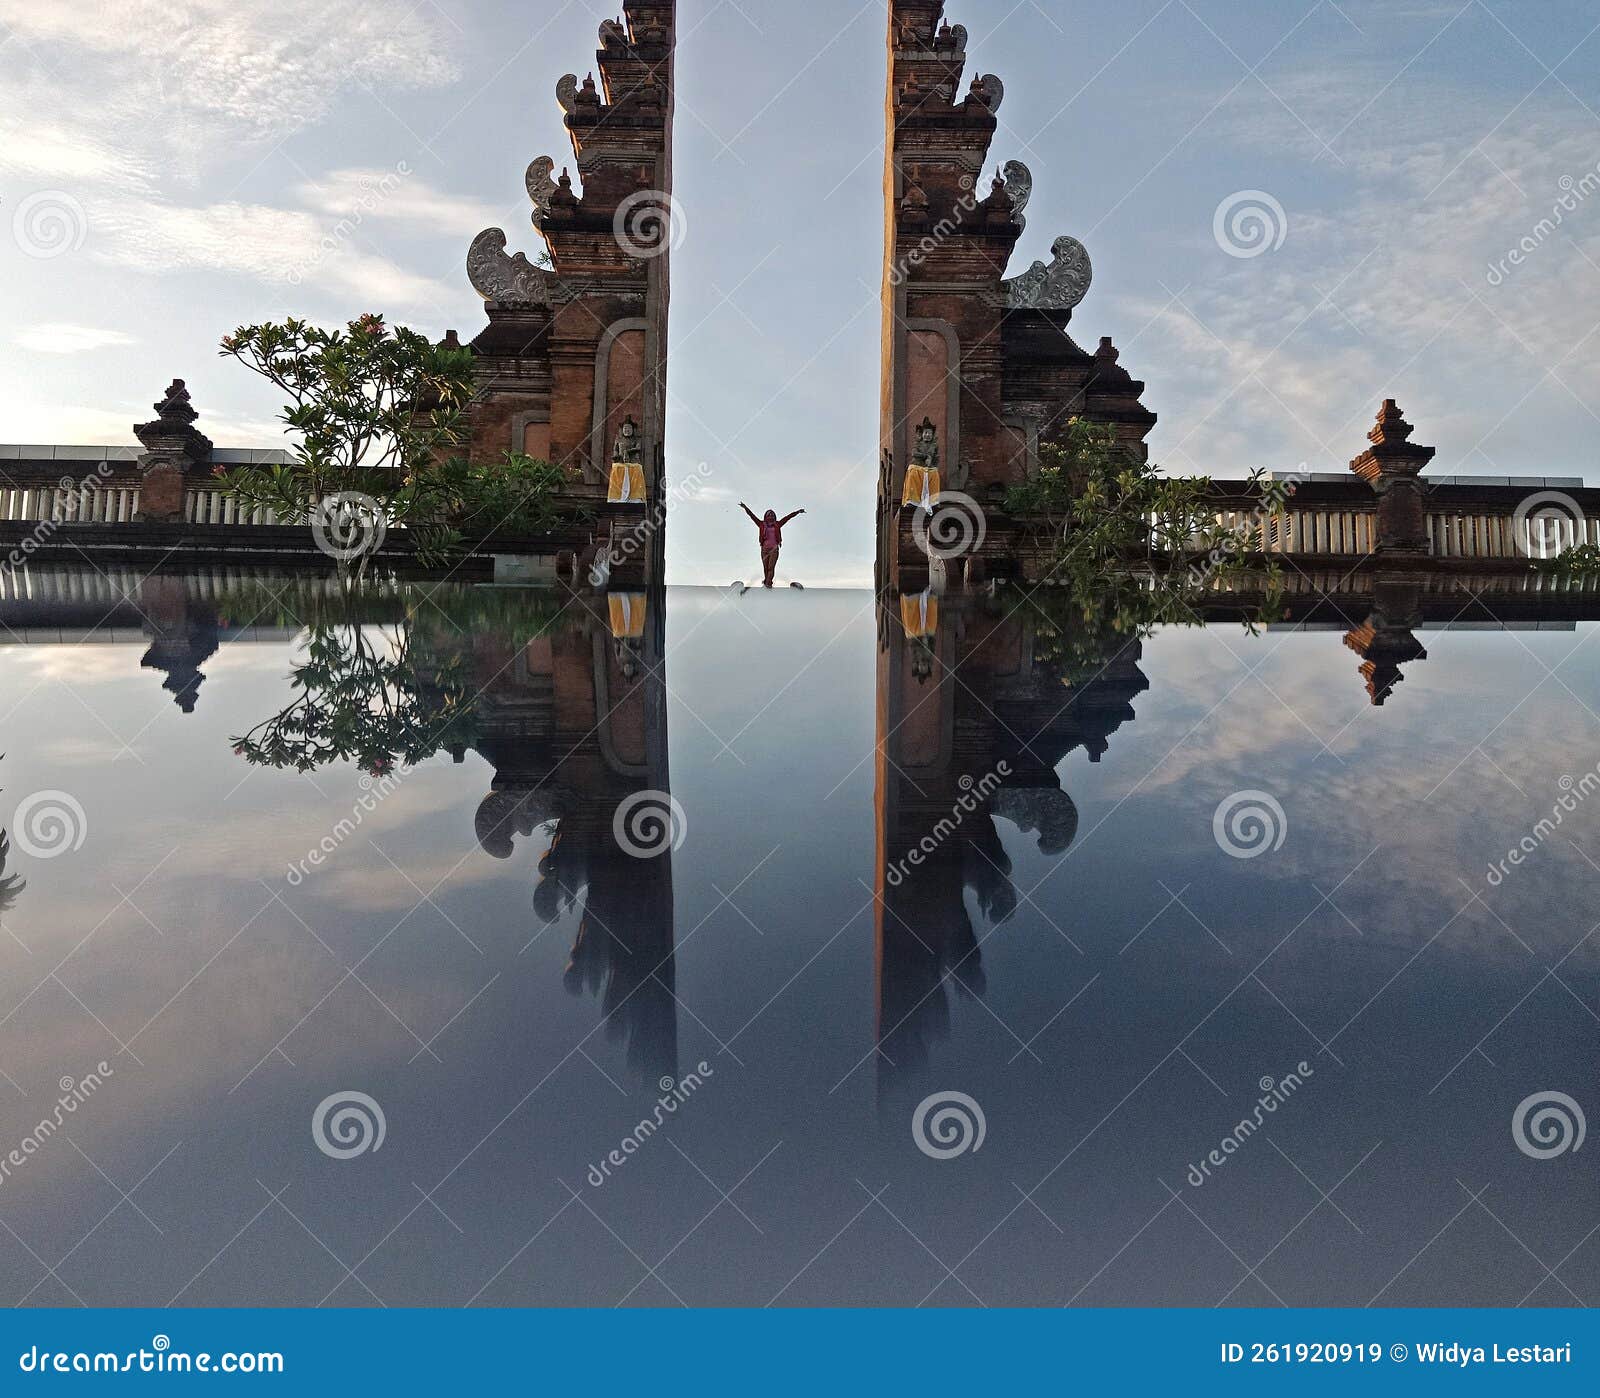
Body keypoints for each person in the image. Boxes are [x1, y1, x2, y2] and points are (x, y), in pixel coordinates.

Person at [740, 502, 805, 587]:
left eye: (772, 515)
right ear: (765, 517)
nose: (771, 517)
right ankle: (767, 581)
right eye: (769, 515)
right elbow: (752, 516)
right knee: (765, 568)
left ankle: (768, 583)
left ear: (775, 517)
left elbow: (788, 517)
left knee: (771, 567)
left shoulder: (778, 524)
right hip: (764, 549)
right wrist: (745, 507)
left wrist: (797, 512)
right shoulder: (761, 524)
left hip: (774, 549)